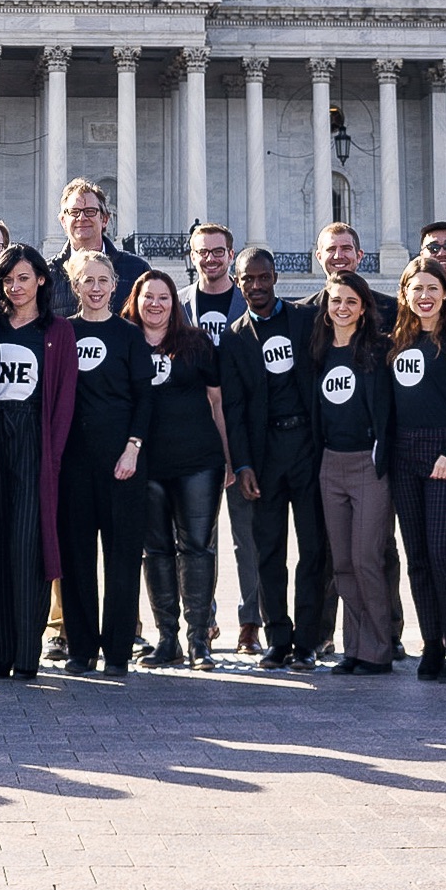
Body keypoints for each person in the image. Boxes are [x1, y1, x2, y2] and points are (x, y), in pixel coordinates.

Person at [0, 245, 76, 678]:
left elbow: (65, 398)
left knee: (26, 545)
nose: (15, 287)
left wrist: (51, 453)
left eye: (22, 278)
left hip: (32, 436)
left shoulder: (57, 331)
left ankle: (25, 653)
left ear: (40, 279)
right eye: (7, 280)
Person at [387, 255, 446, 680]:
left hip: (445, 453)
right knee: (418, 558)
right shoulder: (395, 342)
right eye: (416, 288)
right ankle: (432, 643)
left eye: (432, 288)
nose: (424, 296)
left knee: (443, 553)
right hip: (403, 455)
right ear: (404, 294)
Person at [57, 249, 151, 675]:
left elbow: (145, 397)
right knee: (77, 559)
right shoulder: (63, 333)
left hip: (123, 463)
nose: (95, 289)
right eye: (87, 281)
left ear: (116, 286)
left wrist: (132, 447)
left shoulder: (130, 335)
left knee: (122, 557)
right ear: (74, 287)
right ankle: (80, 648)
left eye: (103, 281)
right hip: (74, 463)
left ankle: (116, 651)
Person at [131, 270, 229, 671]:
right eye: (148, 297)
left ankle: (198, 639)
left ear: (175, 304)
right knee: (155, 550)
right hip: (147, 463)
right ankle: (166, 637)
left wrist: (228, 458)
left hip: (198, 461)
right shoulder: (126, 343)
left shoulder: (196, 343)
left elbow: (217, 403)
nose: (156, 304)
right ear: (136, 302)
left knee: (198, 547)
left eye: (164, 297)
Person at [234, 247, 327, 670]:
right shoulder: (235, 338)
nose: (256, 286)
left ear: (275, 278)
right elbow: (234, 408)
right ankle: (278, 638)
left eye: (263, 278)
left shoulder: (306, 321)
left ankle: (307, 640)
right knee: (268, 550)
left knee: (313, 549)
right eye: (247, 280)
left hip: (306, 446)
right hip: (265, 454)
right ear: (238, 283)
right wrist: (243, 465)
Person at [312, 269, 394, 675]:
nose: (341, 308)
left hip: (368, 462)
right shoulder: (320, 350)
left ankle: (379, 649)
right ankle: (355, 648)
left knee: (366, 559)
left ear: (363, 309)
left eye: (350, 301)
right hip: (331, 463)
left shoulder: (380, 351)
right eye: (335, 301)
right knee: (342, 562)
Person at [187, 222, 259, 655]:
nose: (210, 258)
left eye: (218, 251)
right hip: (195, 437)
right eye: (202, 251)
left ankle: (251, 620)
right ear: (191, 256)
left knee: (248, 535)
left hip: (245, 434)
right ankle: (204, 620)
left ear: (230, 255)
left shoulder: (253, 305)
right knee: (199, 537)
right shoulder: (177, 306)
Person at [47, 179, 149, 318]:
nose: (82, 218)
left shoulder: (136, 269)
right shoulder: (47, 274)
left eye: (90, 211)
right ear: (63, 221)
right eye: (74, 212)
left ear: (105, 219)